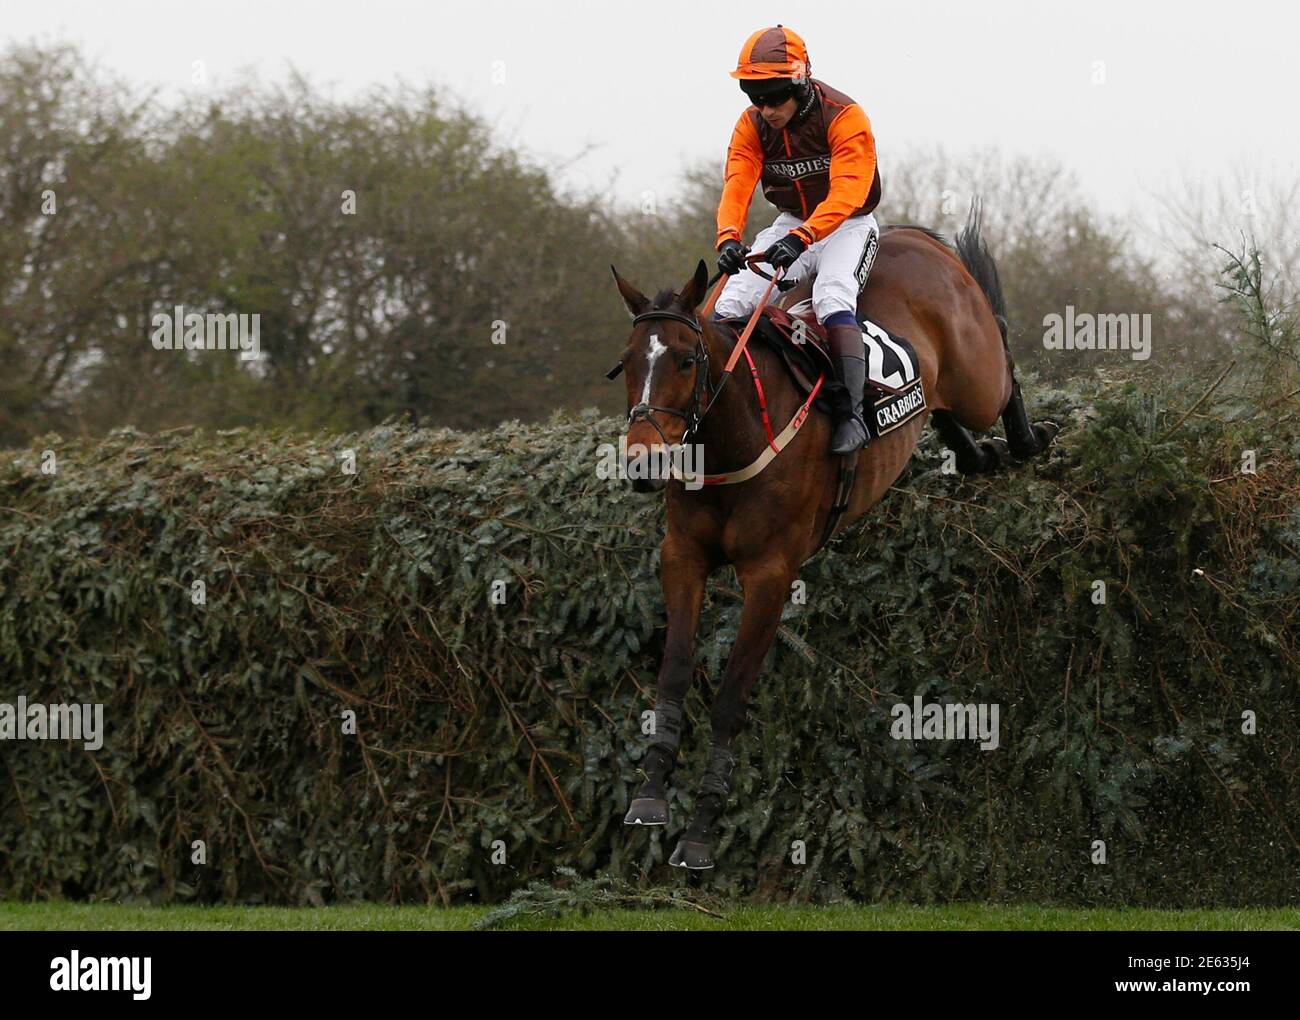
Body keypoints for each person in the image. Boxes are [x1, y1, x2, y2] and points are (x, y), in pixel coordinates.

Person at [714, 25, 883, 454]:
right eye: (755, 97)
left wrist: (804, 236)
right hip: (792, 221)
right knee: (731, 302)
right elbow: (738, 183)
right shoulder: (752, 124)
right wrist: (728, 238)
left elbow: (847, 193)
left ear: (800, 81)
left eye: (774, 97)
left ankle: (852, 415)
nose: (766, 109)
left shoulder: (845, 116)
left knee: (831, 296)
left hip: (849, 224)